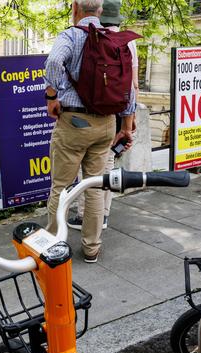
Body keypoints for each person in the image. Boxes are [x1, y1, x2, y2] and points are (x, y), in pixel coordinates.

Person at [44, 0, 134, 263]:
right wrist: (126, 126)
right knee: (95, 186)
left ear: (75, 9)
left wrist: (51, 96)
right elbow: (128, 89)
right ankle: (92, 248)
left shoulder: (71, 36)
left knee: (60, 186)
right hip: (106, 124)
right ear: (99, 11)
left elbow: (52, 62)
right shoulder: (118, 40)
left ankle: (52, 244)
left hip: (74, 123)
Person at [68, 0, 138, 232]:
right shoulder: (127, 41)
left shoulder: (89, 36)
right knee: (107, 164)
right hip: (118, 113)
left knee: (86, 165)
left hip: (91, 112)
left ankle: (83, 216)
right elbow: (132, 86)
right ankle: (103, 215)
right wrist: (129, 120)